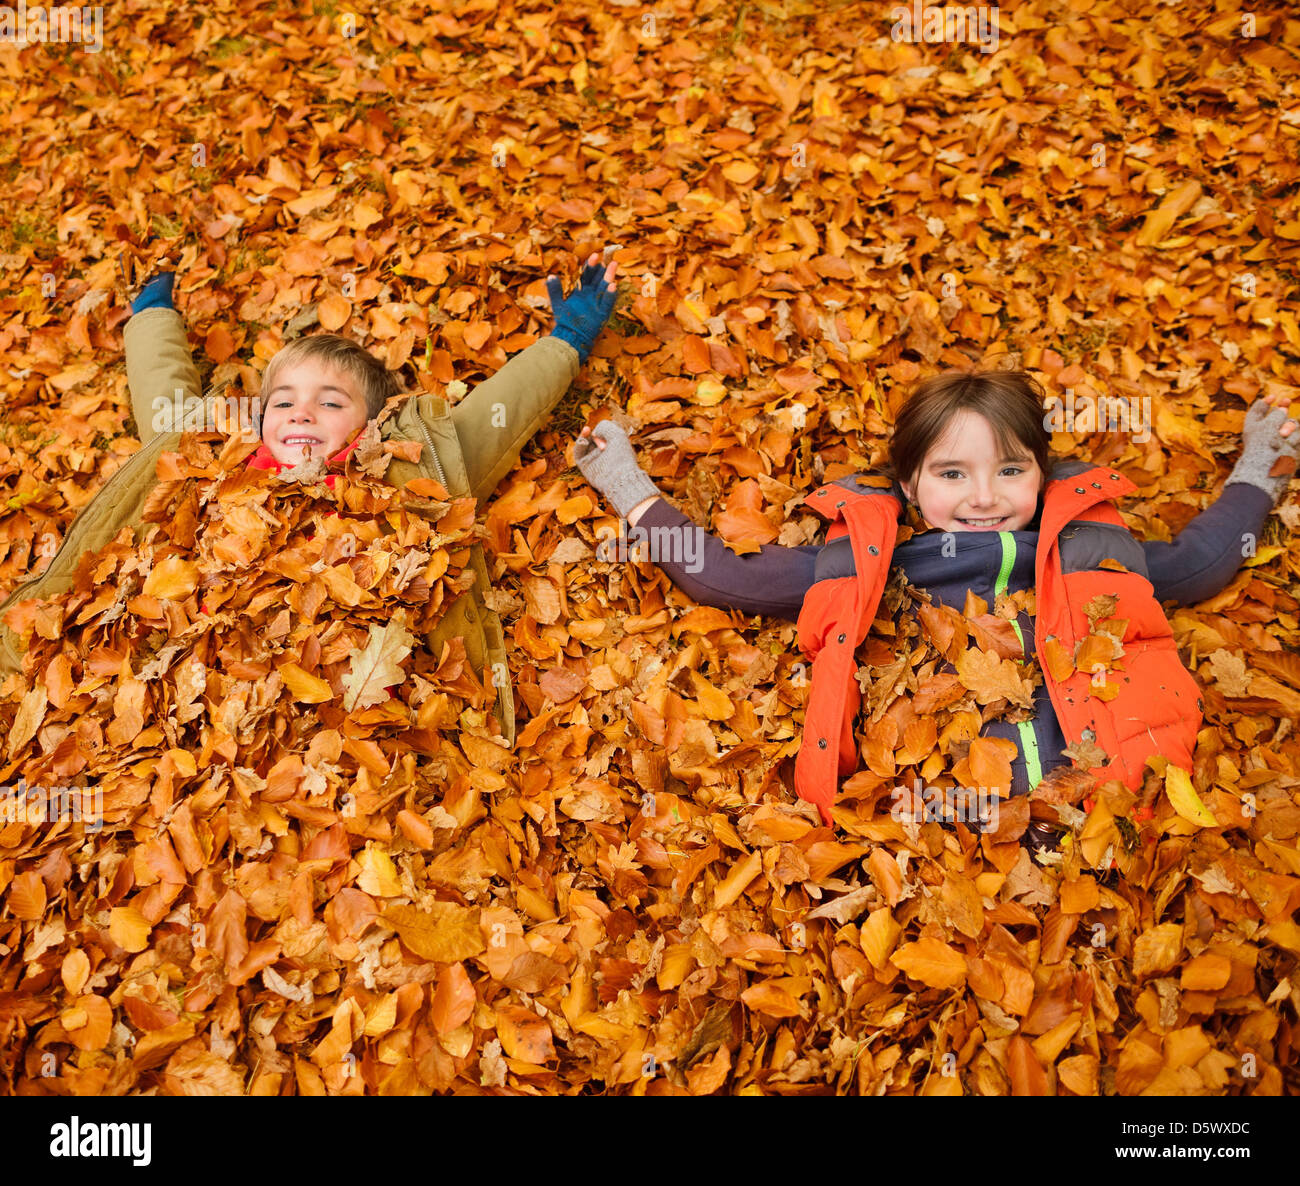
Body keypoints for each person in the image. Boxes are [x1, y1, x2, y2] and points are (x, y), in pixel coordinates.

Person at [572, 370, 1298, 844]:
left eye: (1009, 471)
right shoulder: (875, 562)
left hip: (1115, 812)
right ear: (911, 487)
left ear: (1042, 477)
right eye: (954, 474)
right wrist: (627, 486)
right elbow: (726, 580)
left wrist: (1257, 473)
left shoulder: (1091, 546)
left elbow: (1198, 565)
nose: (984, 497)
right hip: (941, 826)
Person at [0, 250, 620, 748]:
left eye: (330, 401)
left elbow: (494, 417)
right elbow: (160, 397)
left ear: (370, 426)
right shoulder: (215, 457)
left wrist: (569, 337)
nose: (302, 411)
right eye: (285, 400)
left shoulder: (409, 475)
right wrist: (152, 315)